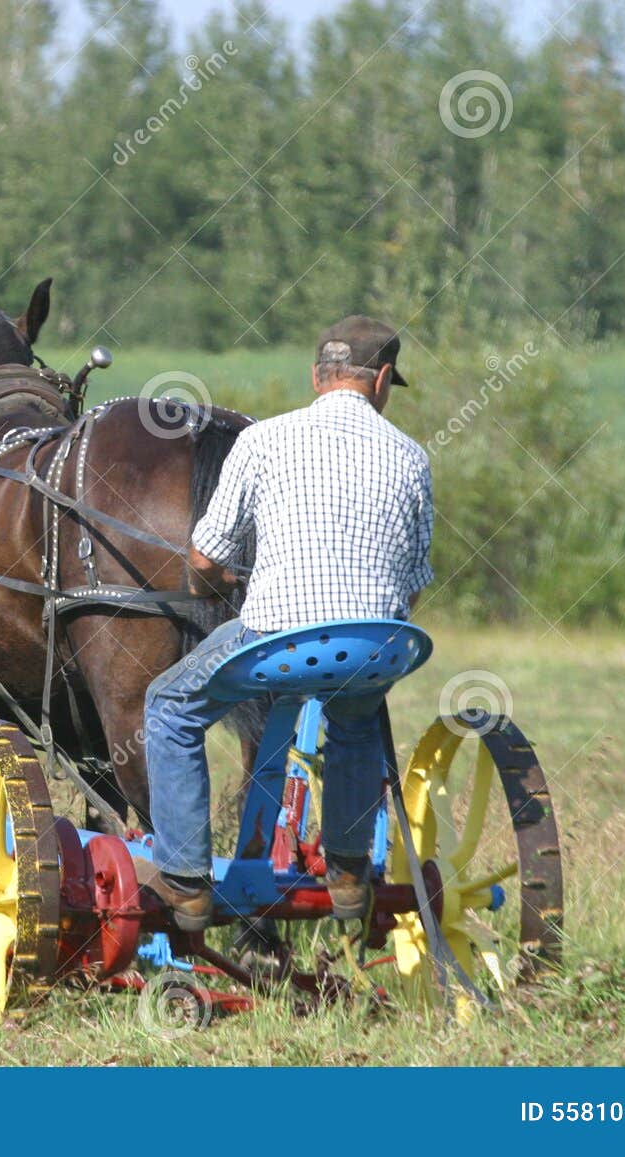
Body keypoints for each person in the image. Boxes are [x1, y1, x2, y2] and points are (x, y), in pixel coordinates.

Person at [141, 316, 434, 931]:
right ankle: (350, 872)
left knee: (170, 708)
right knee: (354, 721)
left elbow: (205, 555)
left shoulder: (262, 441)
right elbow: (412, 580)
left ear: (316, 376)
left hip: (273, 643)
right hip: (374, 647)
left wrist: (217, 588)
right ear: (381, 380)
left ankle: (187, 881)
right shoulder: (412, 456)